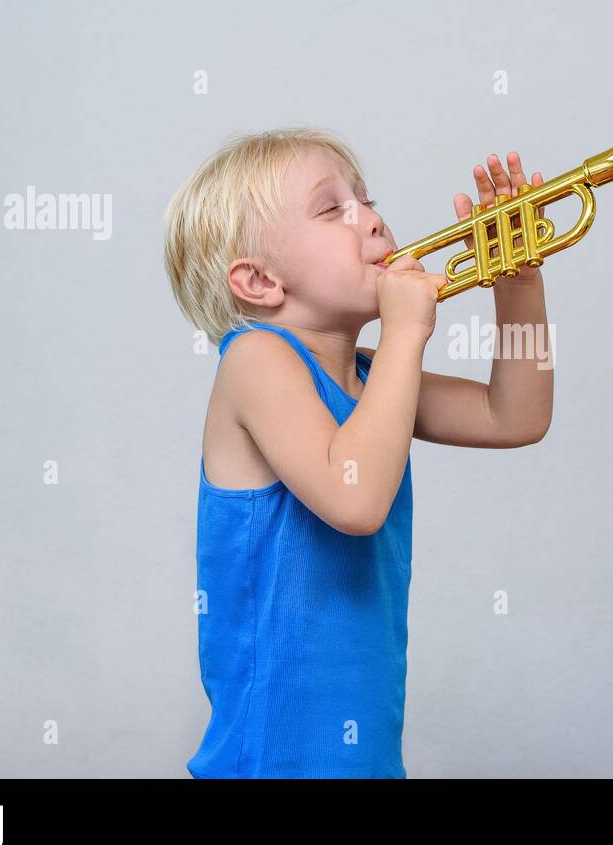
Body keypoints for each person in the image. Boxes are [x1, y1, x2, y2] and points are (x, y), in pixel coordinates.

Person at [163, 129, 553, 777]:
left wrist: (519, 281)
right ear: (258, 281)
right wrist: (405, 330)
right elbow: (356, 499)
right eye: (331, 209)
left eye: (366, 200)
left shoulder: (373, 380)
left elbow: (515, 416)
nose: (371, 218)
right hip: (271, 762)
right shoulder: (257, 360)